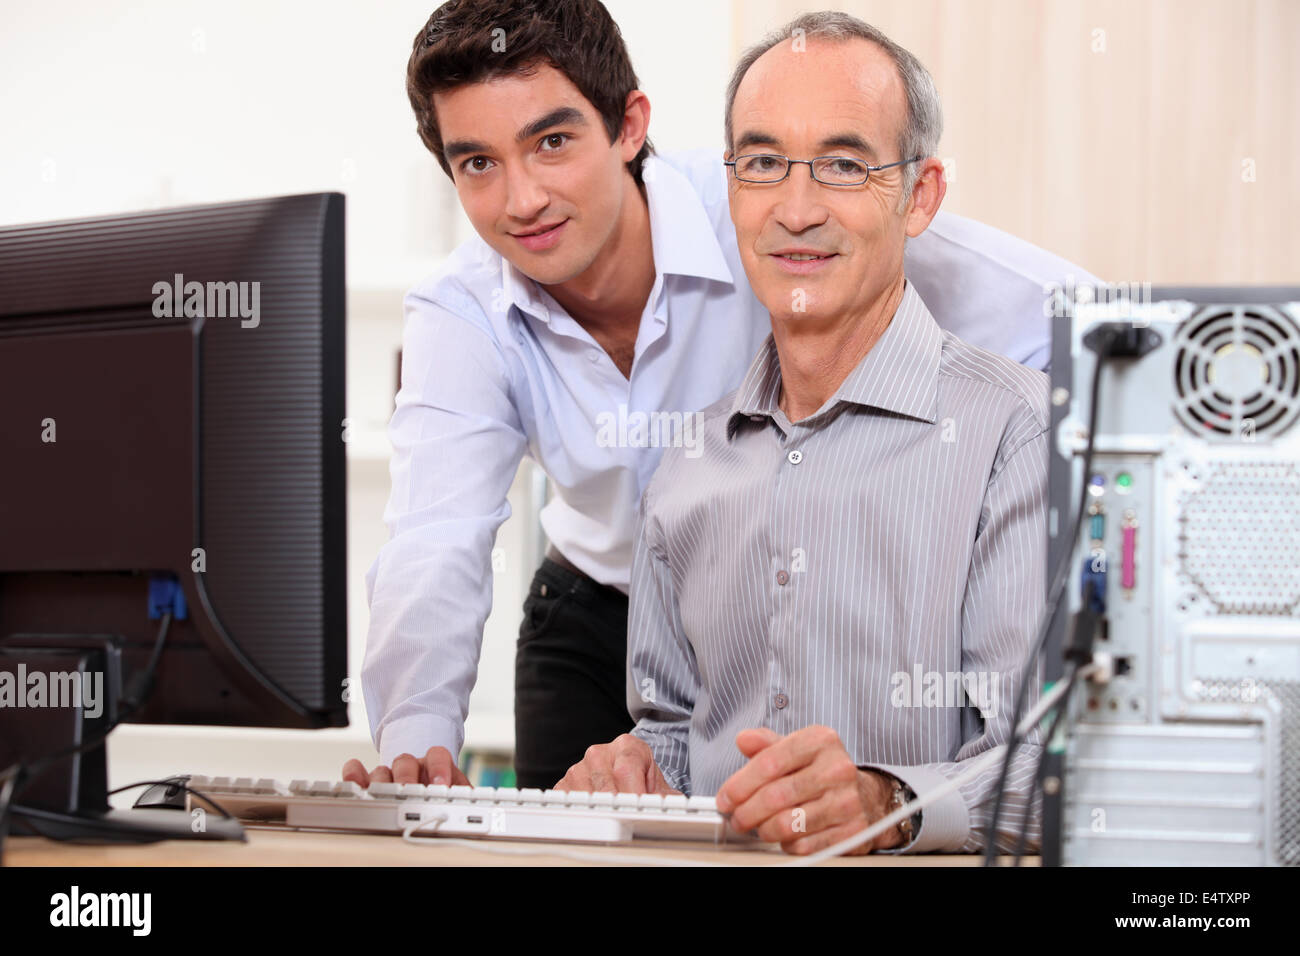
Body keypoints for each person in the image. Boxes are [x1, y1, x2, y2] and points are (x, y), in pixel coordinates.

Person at [345, 0, 1089, 793]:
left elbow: (1054, 306)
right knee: (577, 832)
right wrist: (414, 745)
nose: (522, 199)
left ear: (630, 126)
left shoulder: (765, 206)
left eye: (552, 142)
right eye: (478, 164)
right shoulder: (463, 311)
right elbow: (436, 537)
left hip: (762, 586)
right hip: (592, 604)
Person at [558, 11, 1048, 856]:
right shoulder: (687, 461)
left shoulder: (1017, 436)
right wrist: (635, 763)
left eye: (844, 165)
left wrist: (886, 799)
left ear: (920, 196)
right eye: (761, 163)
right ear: (731, 188)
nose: (794, 208)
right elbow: (674, 729)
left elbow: (1051, 762)